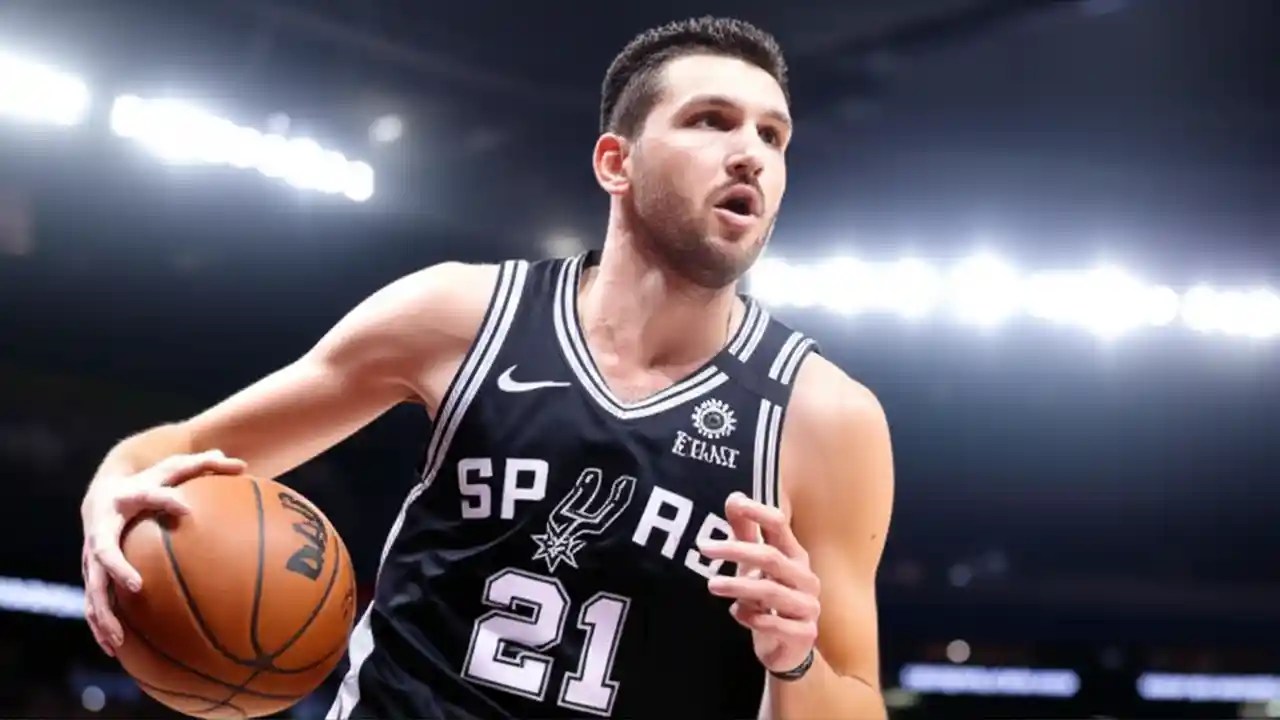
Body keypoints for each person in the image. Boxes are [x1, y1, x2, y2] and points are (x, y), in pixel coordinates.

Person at [79, 16, 895, 720]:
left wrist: (792, 660)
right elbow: (171, 453)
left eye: (772, 134)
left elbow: (855, 696)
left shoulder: (825, 418)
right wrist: (110, 489)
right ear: (617, 162)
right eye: (711, 120)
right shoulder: (460, 316)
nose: (750, 153)